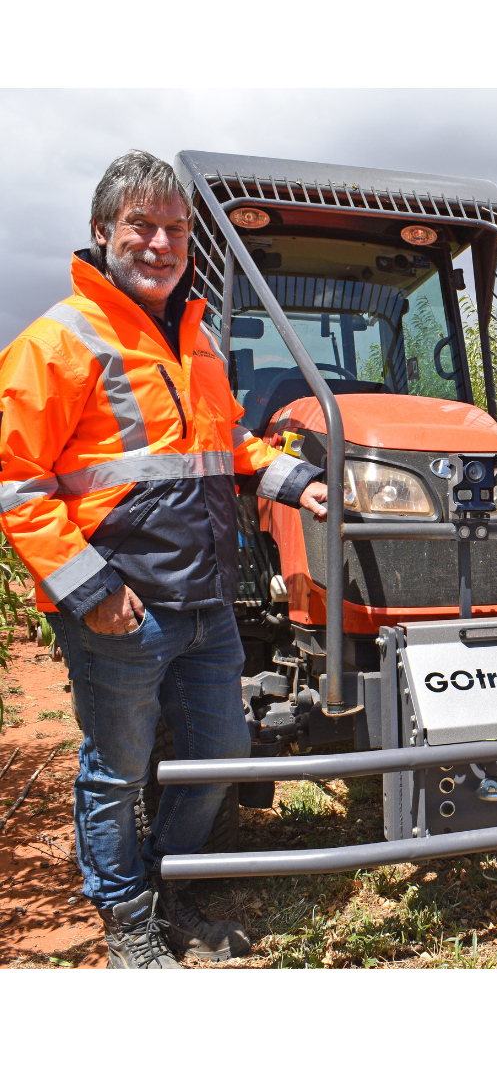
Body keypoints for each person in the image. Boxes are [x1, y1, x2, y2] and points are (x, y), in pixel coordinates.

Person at [0, 151, 329, 967]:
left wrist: (297, 483)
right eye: (142, 225)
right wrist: (91, 591)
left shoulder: (199, 339)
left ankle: (164, 885)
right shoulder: (57, 340)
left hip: (206, 597)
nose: (160, 243)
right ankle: (127, 920)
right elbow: (16, 485)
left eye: (175, 228)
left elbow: (226, 446)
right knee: (115, 771)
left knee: (219, 757)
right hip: (123, 607)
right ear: (102, 232)